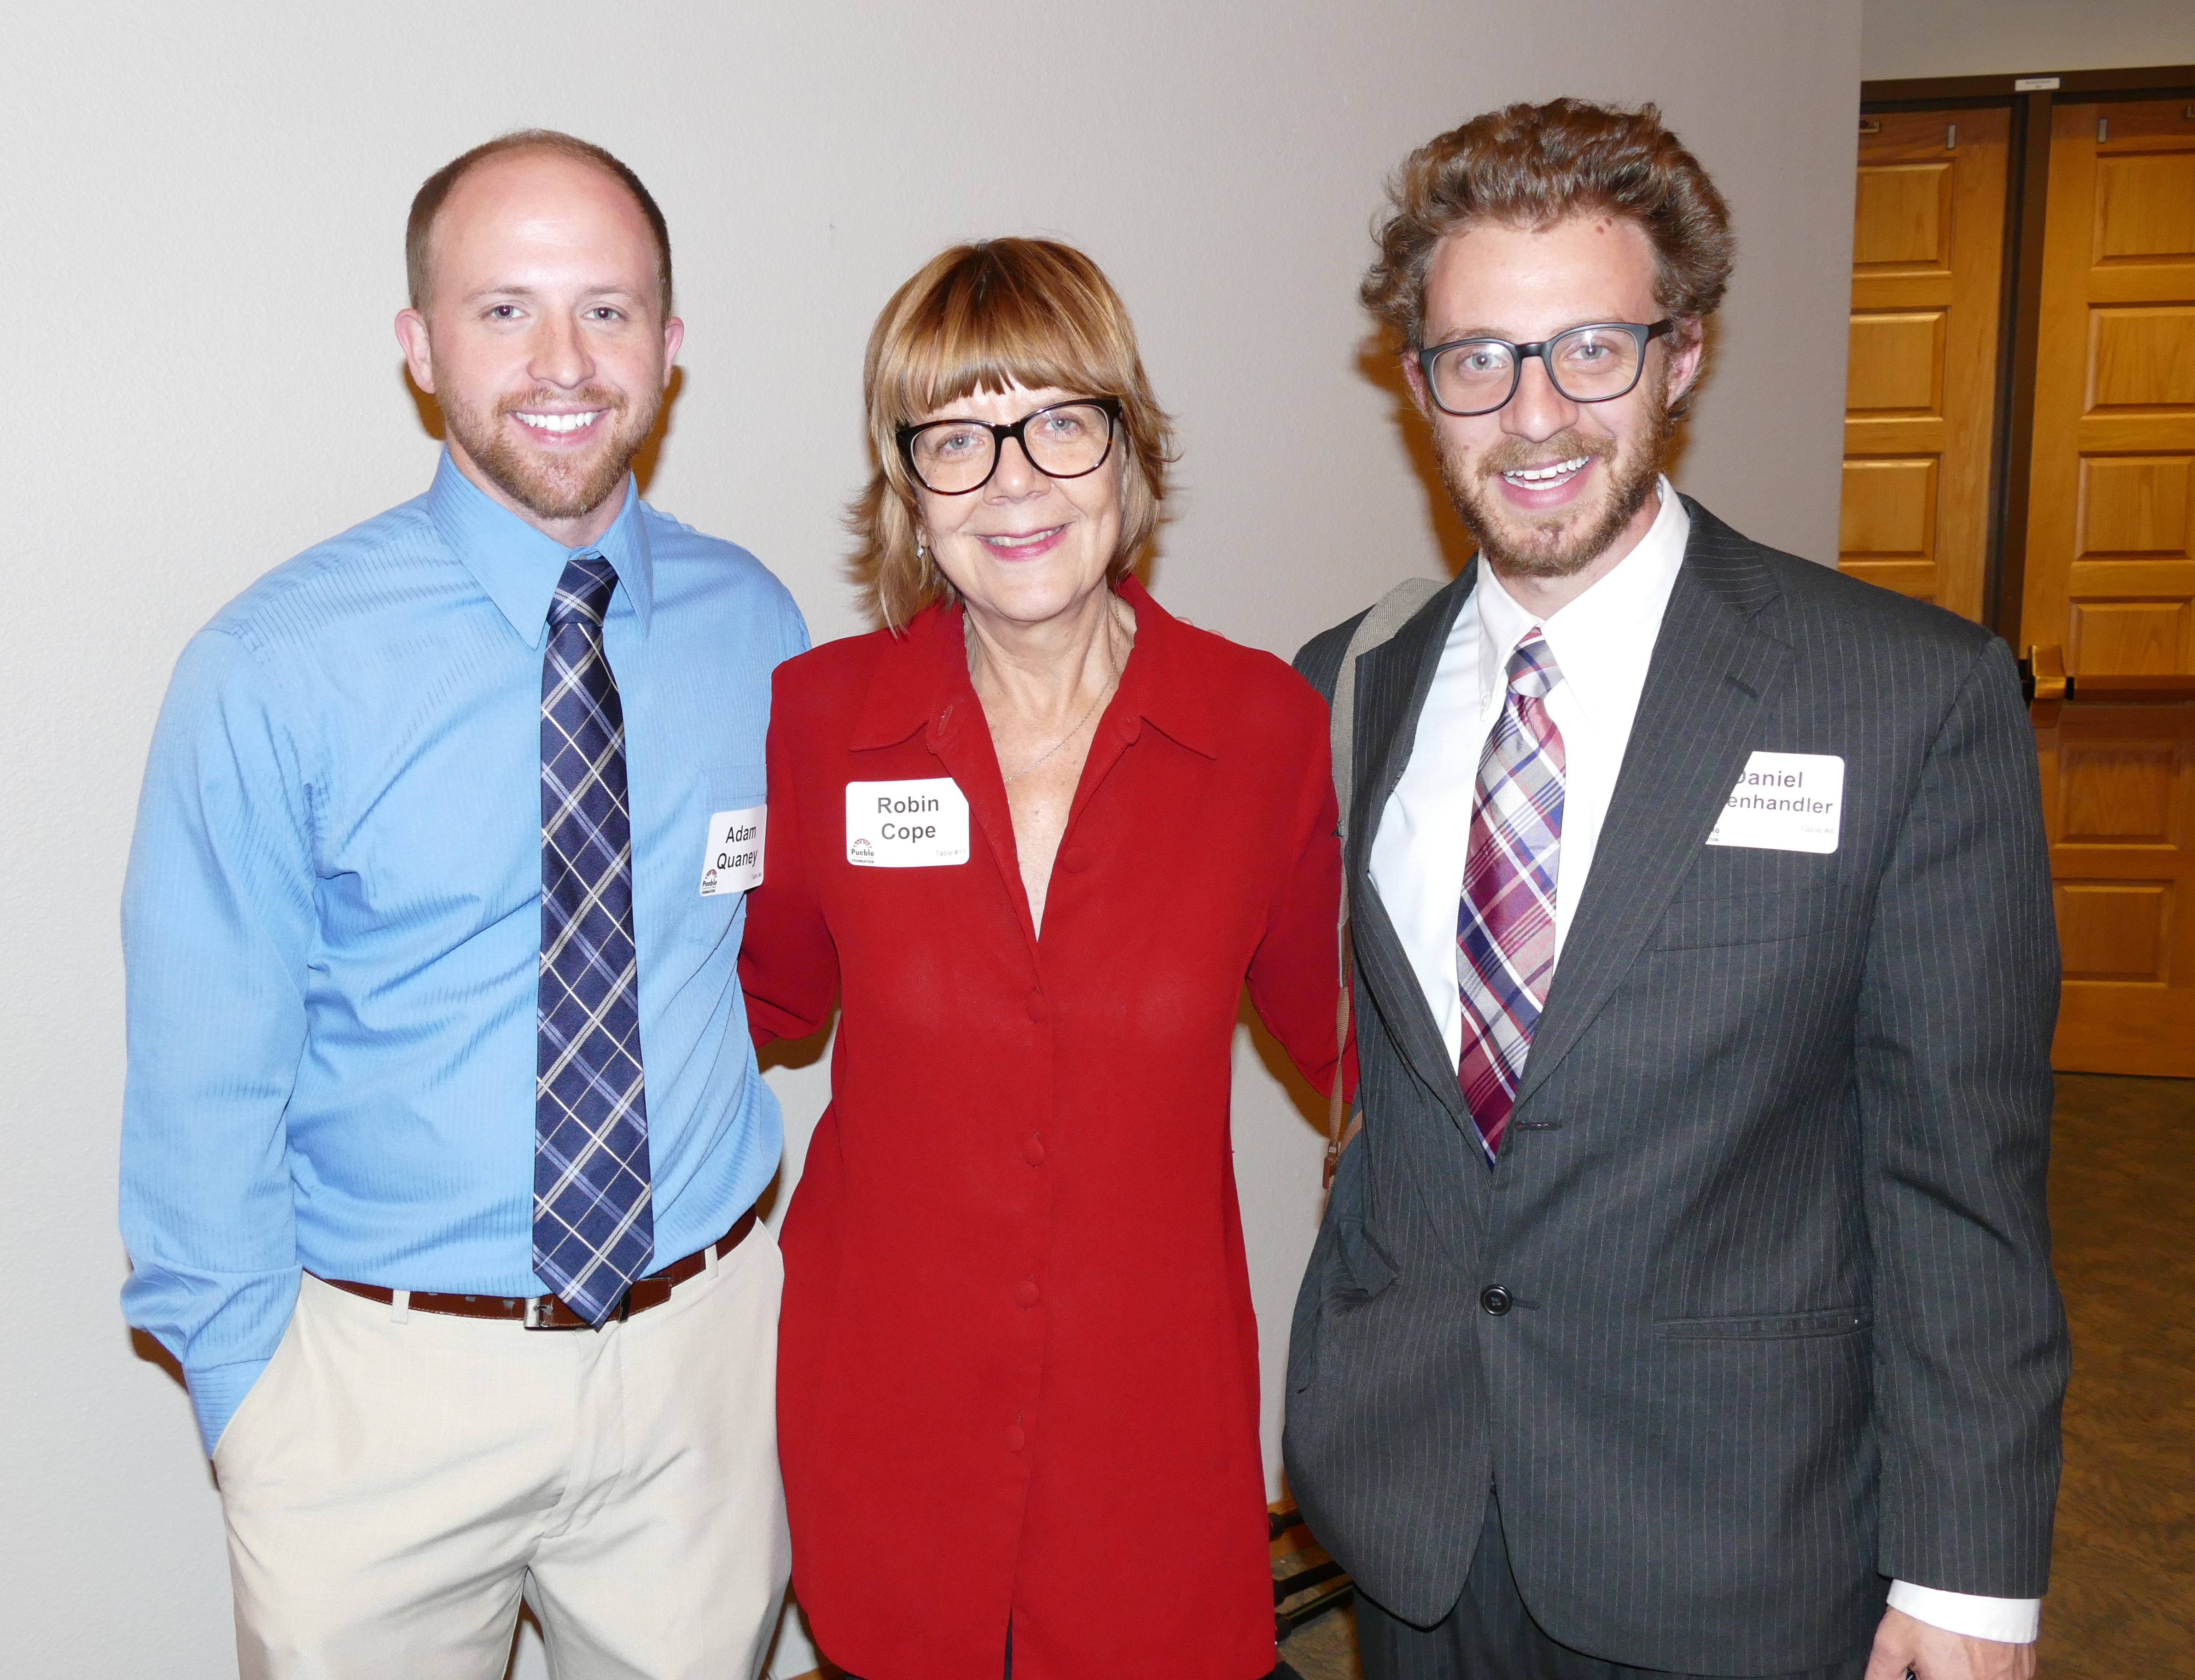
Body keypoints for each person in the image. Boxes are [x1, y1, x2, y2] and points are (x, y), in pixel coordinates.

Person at [1285, 100, 2068, 1680]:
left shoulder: (1901, 696)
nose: (1535, 415)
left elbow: (1959, 1180)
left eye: (1593, 349)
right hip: (1420, 1521)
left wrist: (1970, 1577)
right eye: (1479, 359)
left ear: (1682, 354)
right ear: (1421, 384)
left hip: (1735, 1539)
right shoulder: (1347, 688)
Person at [119, 130, 804, 1678]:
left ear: (670, 346)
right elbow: (201, 1080)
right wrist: (257, 1405)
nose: (562, 362)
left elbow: (765, 956)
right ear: (421, 350)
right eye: (504, 311)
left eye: (607, 311)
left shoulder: (754, 627)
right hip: (377, 1401)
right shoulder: (273, 668)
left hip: (696, 1372)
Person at [738, 237, 1351, 1680]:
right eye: (956, 438)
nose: (1013, 482)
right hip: (884, 1412)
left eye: (1060, 423)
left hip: (1149, 1432)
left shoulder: (1263, 730)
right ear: (908, 486)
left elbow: (1361, 1063)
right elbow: (756, 1000)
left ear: (1130, 453)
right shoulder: (820, 723)